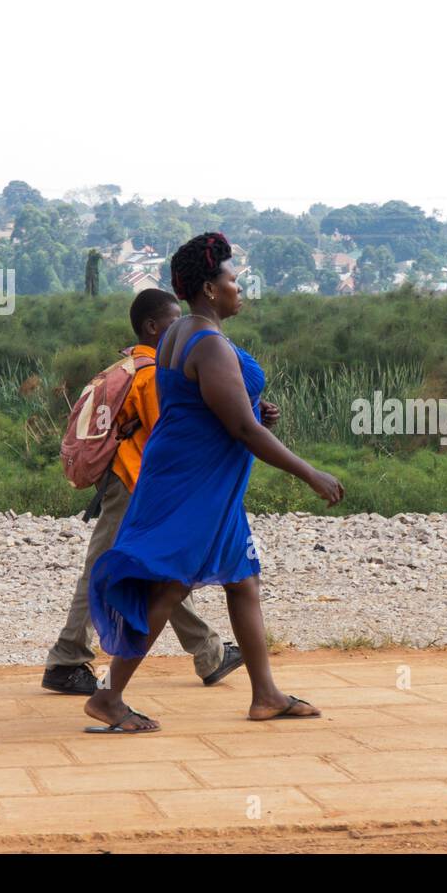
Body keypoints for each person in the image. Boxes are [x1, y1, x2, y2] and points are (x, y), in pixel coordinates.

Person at [85, 232, 344, 732]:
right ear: (208, 287)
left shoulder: (180, 332)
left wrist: (250, 410)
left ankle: (265, 693)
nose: (239, 287)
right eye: (232, 280)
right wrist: (311, 473)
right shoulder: (208, 343)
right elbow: (241, 429)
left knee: (243, 580)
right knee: (171, 584)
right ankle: (109, 695)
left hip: (194, 475)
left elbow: (207, 408)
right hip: (196, 484)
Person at [42, 288, 248, 695]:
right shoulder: (153, 374)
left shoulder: (132, 366)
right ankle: (67, 658)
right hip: (135, 484)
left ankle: (209, 652)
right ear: (153, 327)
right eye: (174, 324)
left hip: (129, 482)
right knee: (105, 570)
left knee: (159, 570)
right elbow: (172, 434)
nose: (182, 331)